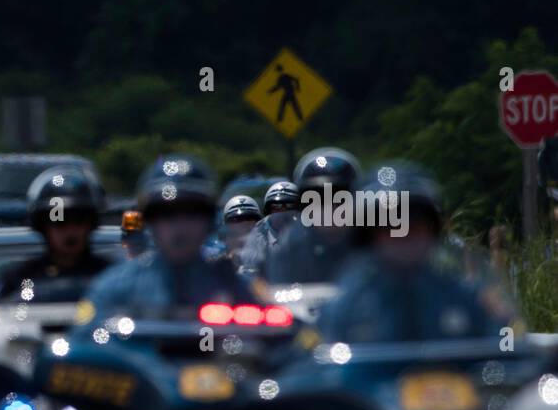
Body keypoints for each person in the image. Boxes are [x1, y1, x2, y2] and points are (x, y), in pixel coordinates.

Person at [317, 163, 513, 343]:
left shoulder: (467, 299)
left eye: (416, 222)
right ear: (369, 233)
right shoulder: (344, 307)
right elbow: (315, 371)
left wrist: (507, 330)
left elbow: (509, 354)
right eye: (390, 223)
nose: (404, 233)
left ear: (432, 229)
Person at [79, 154, 255, 317]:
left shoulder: (239, 288)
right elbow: (83, 340)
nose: (180, 226)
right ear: (149, 220)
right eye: (166, 213)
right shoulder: (114, 289)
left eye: (192, 212)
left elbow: (276, 345)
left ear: (209, 219)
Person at [0, 166, 112, 304]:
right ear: (42, 226)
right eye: (59, 222)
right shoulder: (21, 280)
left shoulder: (111, 277)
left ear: (91, 224)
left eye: (78, 221)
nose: (69, 231)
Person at [257, 147, 362, 284]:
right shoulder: (289, 248)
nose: (328, 207)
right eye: (316, 198)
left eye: (340, 197)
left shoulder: (374, 245)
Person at [219, 194, 262, 266]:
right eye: (236, 220)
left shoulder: (270, 255)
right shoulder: (217, 262)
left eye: (249, 218)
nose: (243, 224)